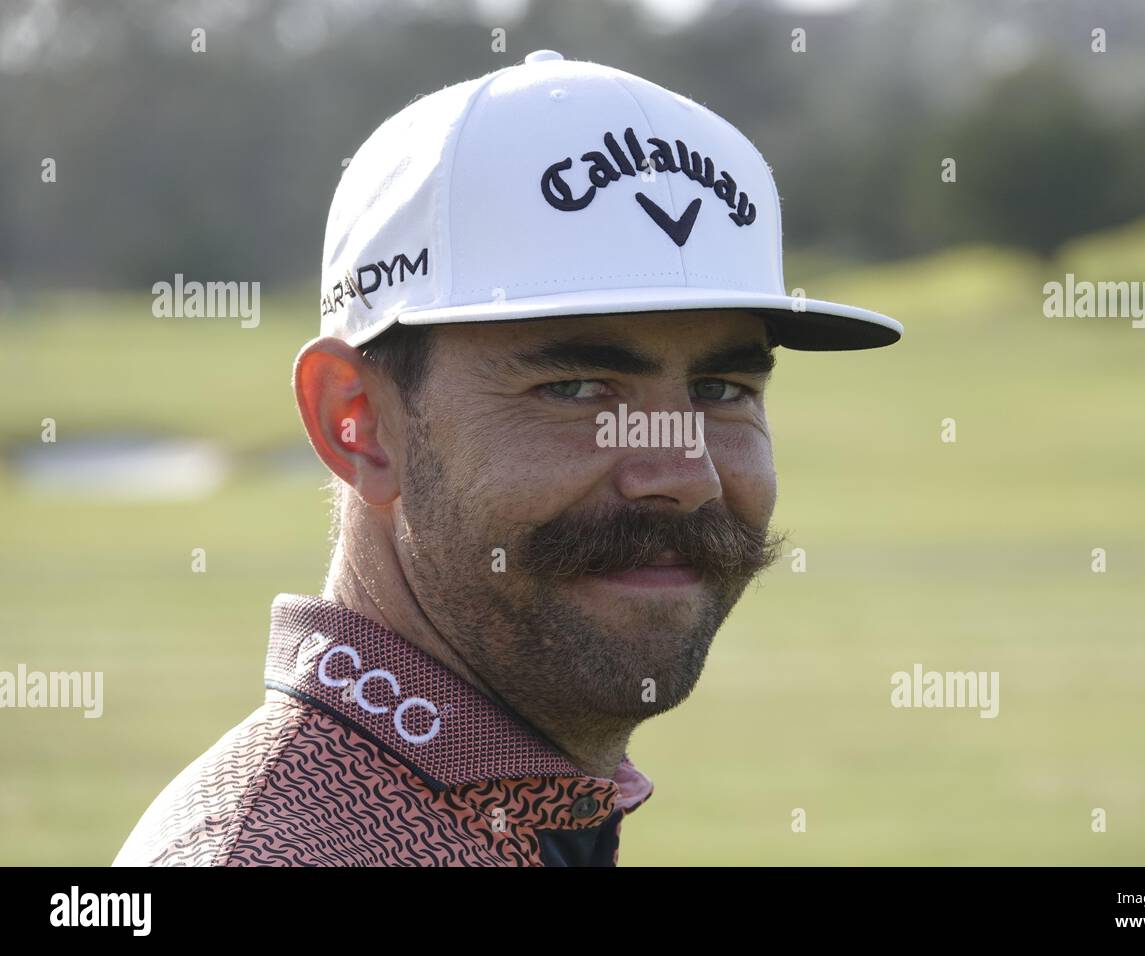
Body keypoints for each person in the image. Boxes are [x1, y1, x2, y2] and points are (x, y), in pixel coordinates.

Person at [112, 49, 901, 867]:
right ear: (357, 421)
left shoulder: (513, 817)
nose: (682, 474)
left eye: (722, 388)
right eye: (578, 388)